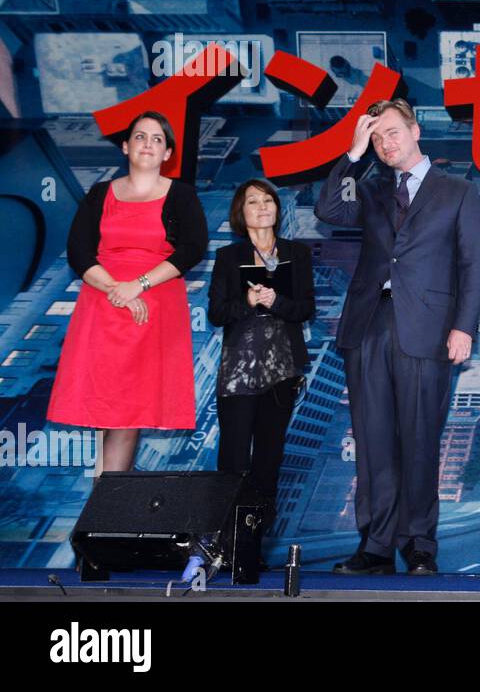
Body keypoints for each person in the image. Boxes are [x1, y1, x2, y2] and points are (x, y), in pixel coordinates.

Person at [315, 98, 480, 576]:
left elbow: (474, 264)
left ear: (415, 131)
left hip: (428, 330)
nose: (385, 144)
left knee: (419, 440)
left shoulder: (457, 191)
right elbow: (327, 208)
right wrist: (352, 152)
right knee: (373, 442)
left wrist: (464, 326)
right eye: (376, 138)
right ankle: (374, 545)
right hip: (369, 324)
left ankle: (418, 546)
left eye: (391, 132)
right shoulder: (368, 189)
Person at [48, 111, 209, 472]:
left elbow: (193, 247)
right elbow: (78, 251)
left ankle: (102, 518)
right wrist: (115, 289)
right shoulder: (100, 193)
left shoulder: (181, 195)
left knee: (127, 414)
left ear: (168, 152)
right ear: (125, 146)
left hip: (153, 308)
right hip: (103, 306)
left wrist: (139, 284)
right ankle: (102, 517)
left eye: (157, 139)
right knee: (107, 412)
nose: (147, 144)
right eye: (140, 136)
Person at [209, 178, 316, 537]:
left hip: (282, 371)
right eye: (253, 201)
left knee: (268, 461)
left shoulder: (296, 253)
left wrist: (276, 302)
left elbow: (305, 308)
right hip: (239, 372)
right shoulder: (229, 257)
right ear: (241, 213)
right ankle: (224, 540)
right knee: (234, 460)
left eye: (269, 200)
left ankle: (253, 544)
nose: (263, 206)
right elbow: (217, 313)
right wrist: (249, 302)